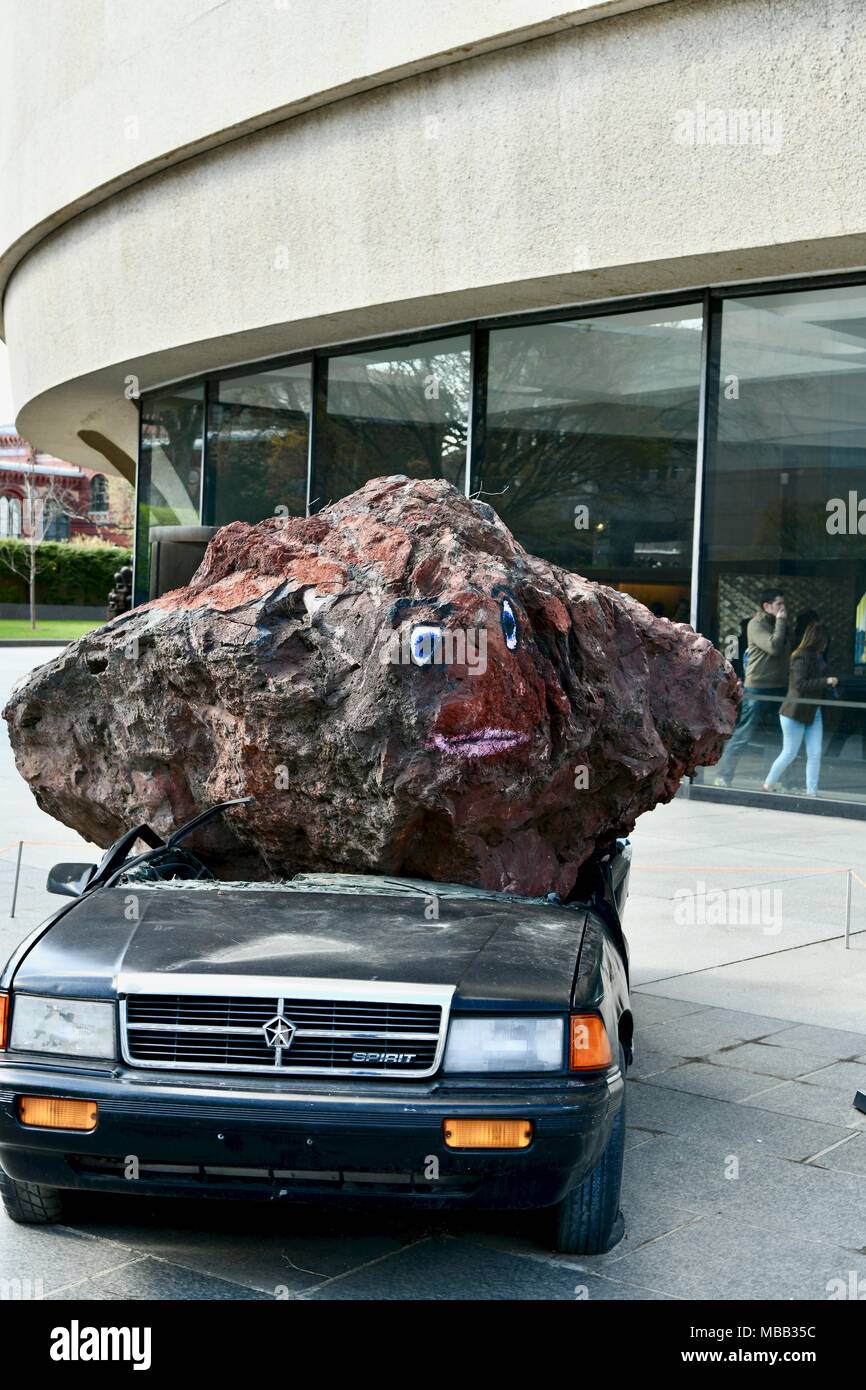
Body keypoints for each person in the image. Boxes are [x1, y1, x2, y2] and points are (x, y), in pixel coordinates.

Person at [713, 588, 789, 786]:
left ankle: (773, 779)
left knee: (777, 734)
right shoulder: (757, 624)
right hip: (759, 686)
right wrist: (781, 621)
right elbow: (774, 647)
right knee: (745, 732)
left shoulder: (775, 623)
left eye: (783, 604)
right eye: (779, 604)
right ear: (767, 606)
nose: (783, 608)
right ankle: (724, 775)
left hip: (779, 686)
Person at [763, 621, 838, 797]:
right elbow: (800, 684)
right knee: (789, 752)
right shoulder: (800, 656)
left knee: (815, 753)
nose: (827, 644)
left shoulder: (817, 657)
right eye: (825, 640)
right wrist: (826, 681)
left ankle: (812, 792)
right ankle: (769, 783)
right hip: (794, 712)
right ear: (819, 639)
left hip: (813, 711)